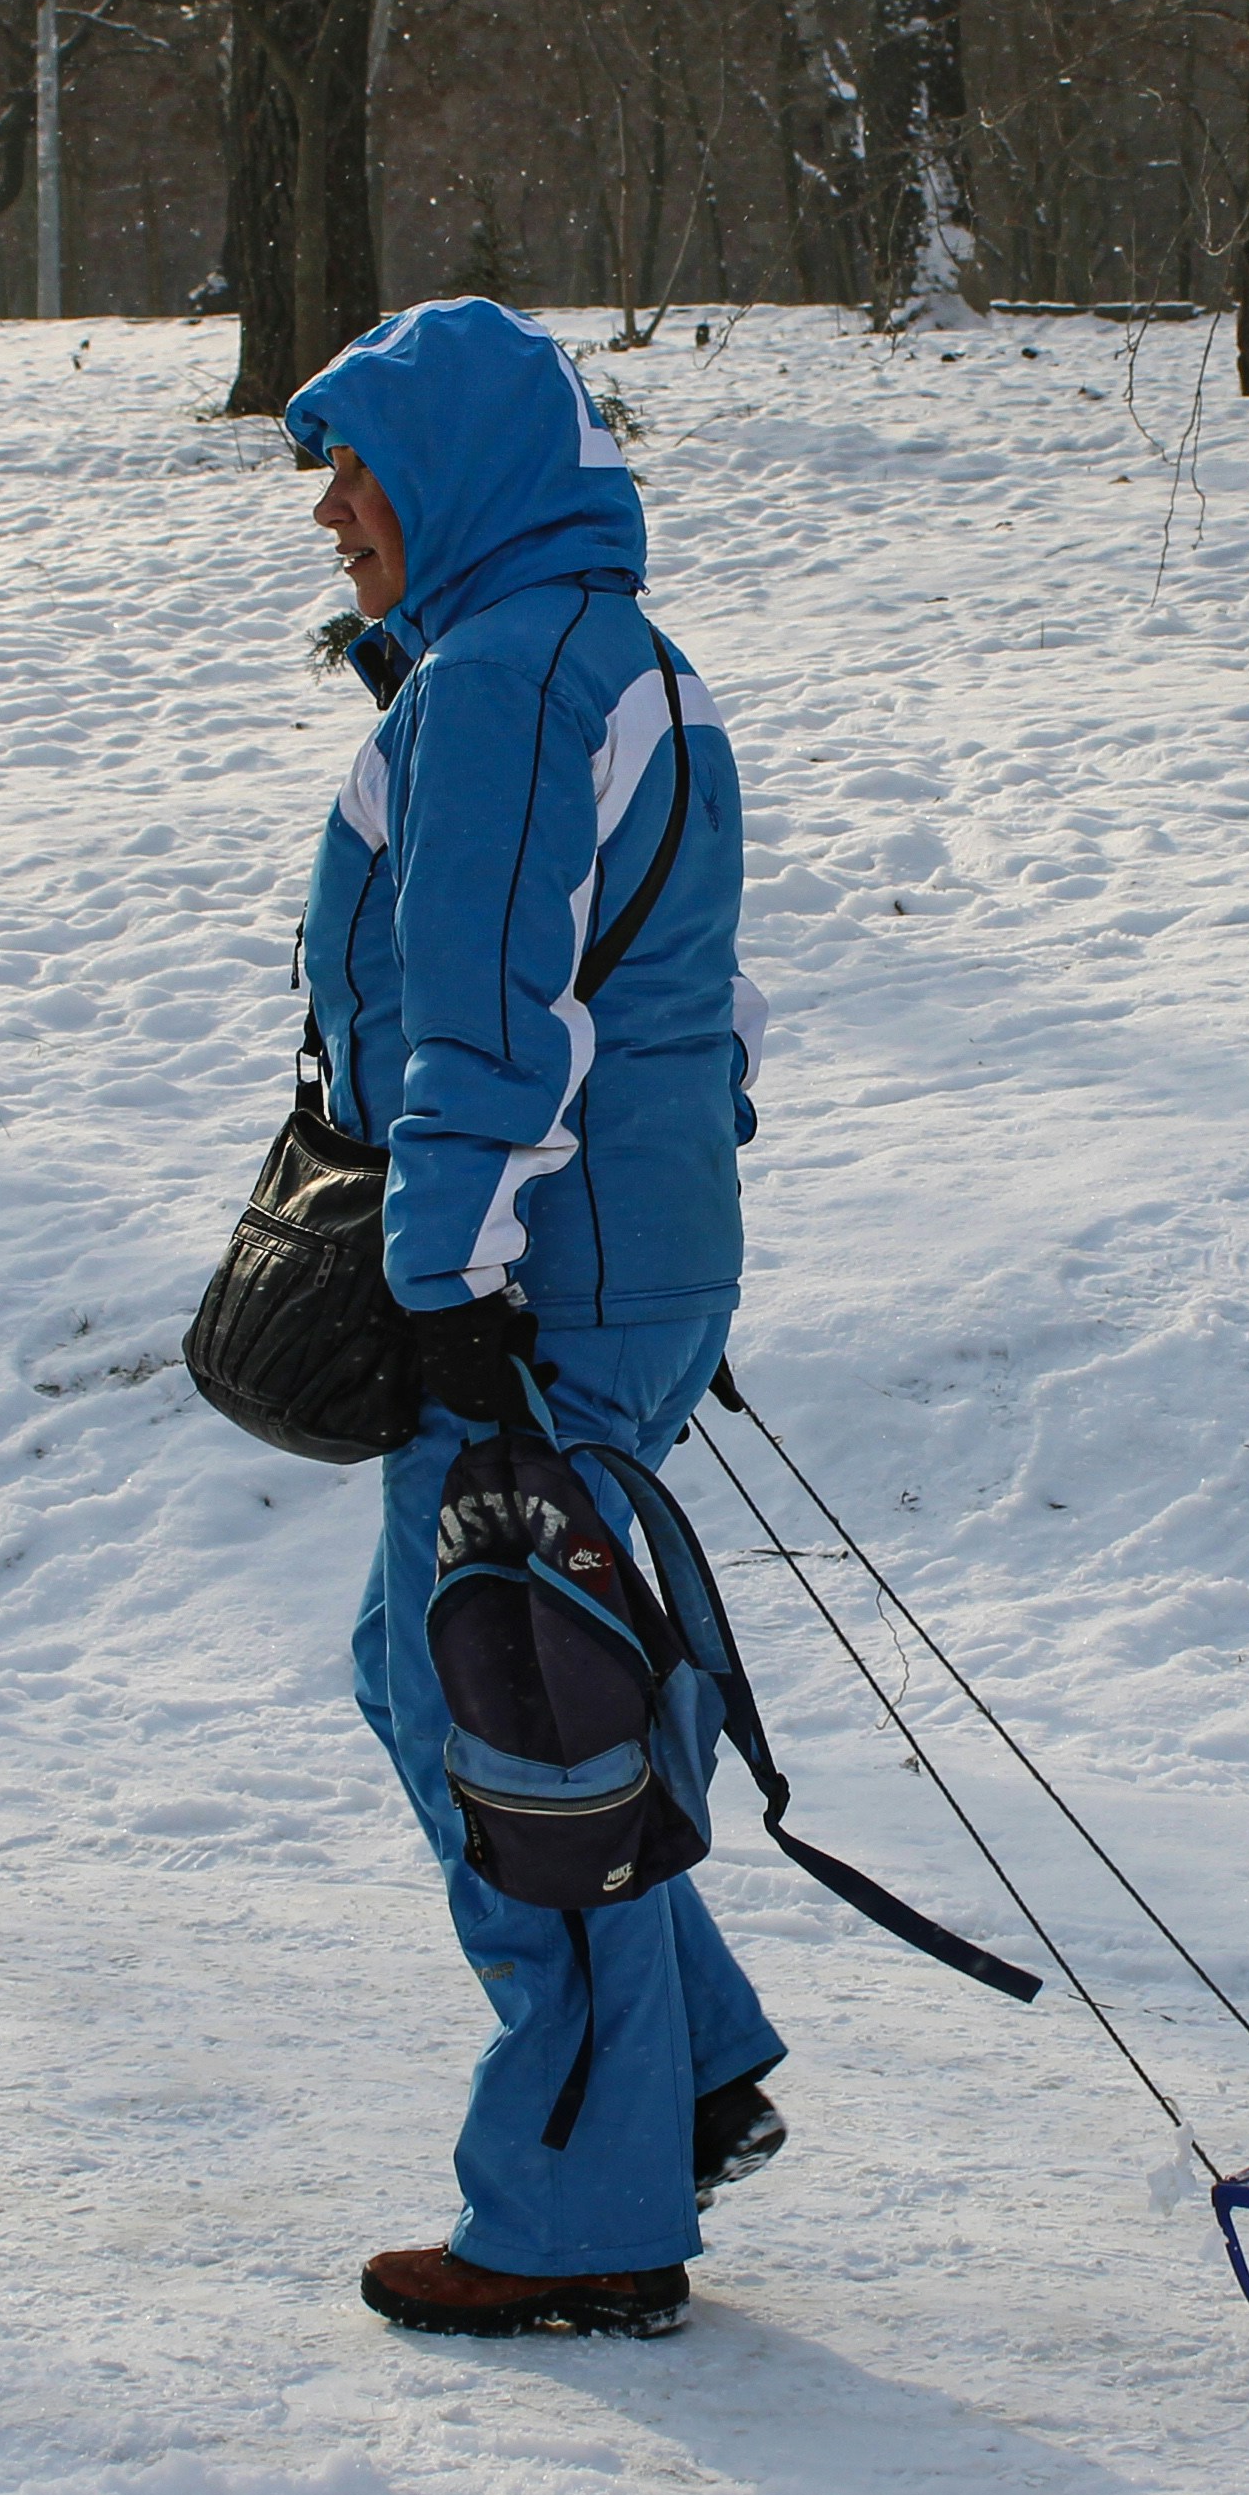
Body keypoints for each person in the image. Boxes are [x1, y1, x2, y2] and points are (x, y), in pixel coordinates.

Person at [285, 298, 789, 2338]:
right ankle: (692, 2056)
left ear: (470, 468)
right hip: (611, 1248)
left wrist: (457, 1282)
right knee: (487, 1674)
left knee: (505, 1705)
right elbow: (714, 998)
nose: (330, 508)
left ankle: (586, 2206)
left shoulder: (503, 683)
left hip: (531, 1264)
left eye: (365, 465)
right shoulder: (620, 659)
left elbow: (501, 1010)